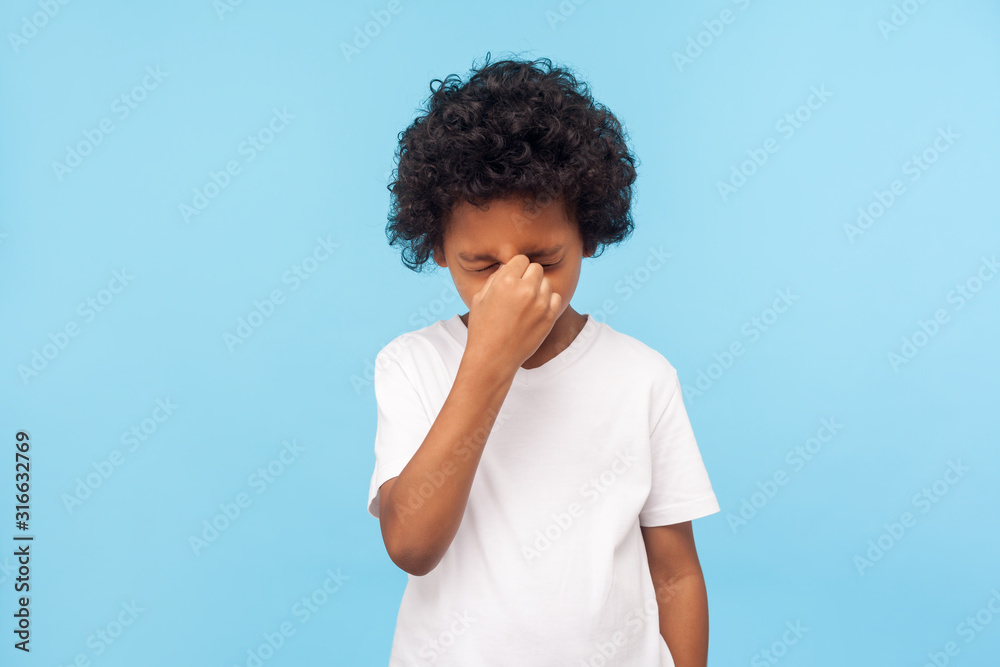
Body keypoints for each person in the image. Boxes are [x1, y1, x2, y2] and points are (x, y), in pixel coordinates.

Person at [366, 52, 720, 667]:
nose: (518, 288)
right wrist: (491, 359)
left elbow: (677, 575)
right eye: (483, 266)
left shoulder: (643, 378)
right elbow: (411, 545)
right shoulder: (412, 364)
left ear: (587, 233)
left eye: (547, 260)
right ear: (441, 251)